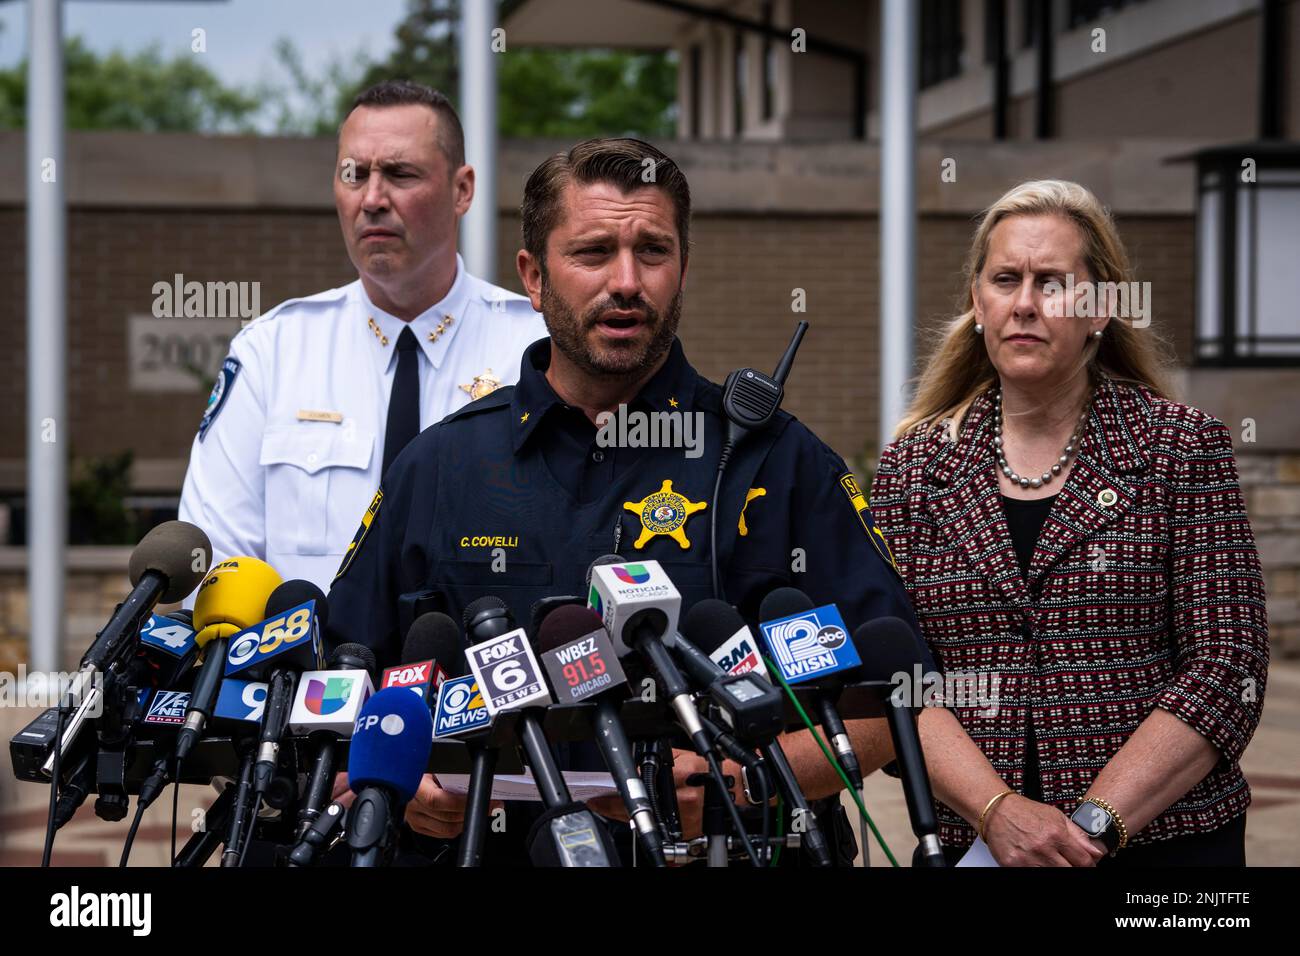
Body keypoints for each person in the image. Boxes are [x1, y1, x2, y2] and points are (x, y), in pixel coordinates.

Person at [325, 137, 971, 865]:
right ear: (533, 278)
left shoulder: (780, 462)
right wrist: (394, 778)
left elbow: (890, 695)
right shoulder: (439, 467)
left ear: (683, 270)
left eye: (653, 252)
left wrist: (758, 779)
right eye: (594, 253)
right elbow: (335, 684)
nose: (627, 282)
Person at [870, 179, 1270, 866]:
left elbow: (1227, 664)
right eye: (1005, 279)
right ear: (977, 300)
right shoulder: (913, 466)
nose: (1024, 303)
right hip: (977, 846)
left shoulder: (1179, 447)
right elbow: (894, 674)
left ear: (1101, 309)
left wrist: (1090, 826)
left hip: (1164, 848)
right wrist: (998, 814)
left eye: (1052, 282)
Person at [179, 80, 544, 593]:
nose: (373, 198)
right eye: (354, 174)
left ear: (462, 190)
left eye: (400, 173)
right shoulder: (273, 352)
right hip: (306, 669)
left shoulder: (536, 348)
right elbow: (215, 560)